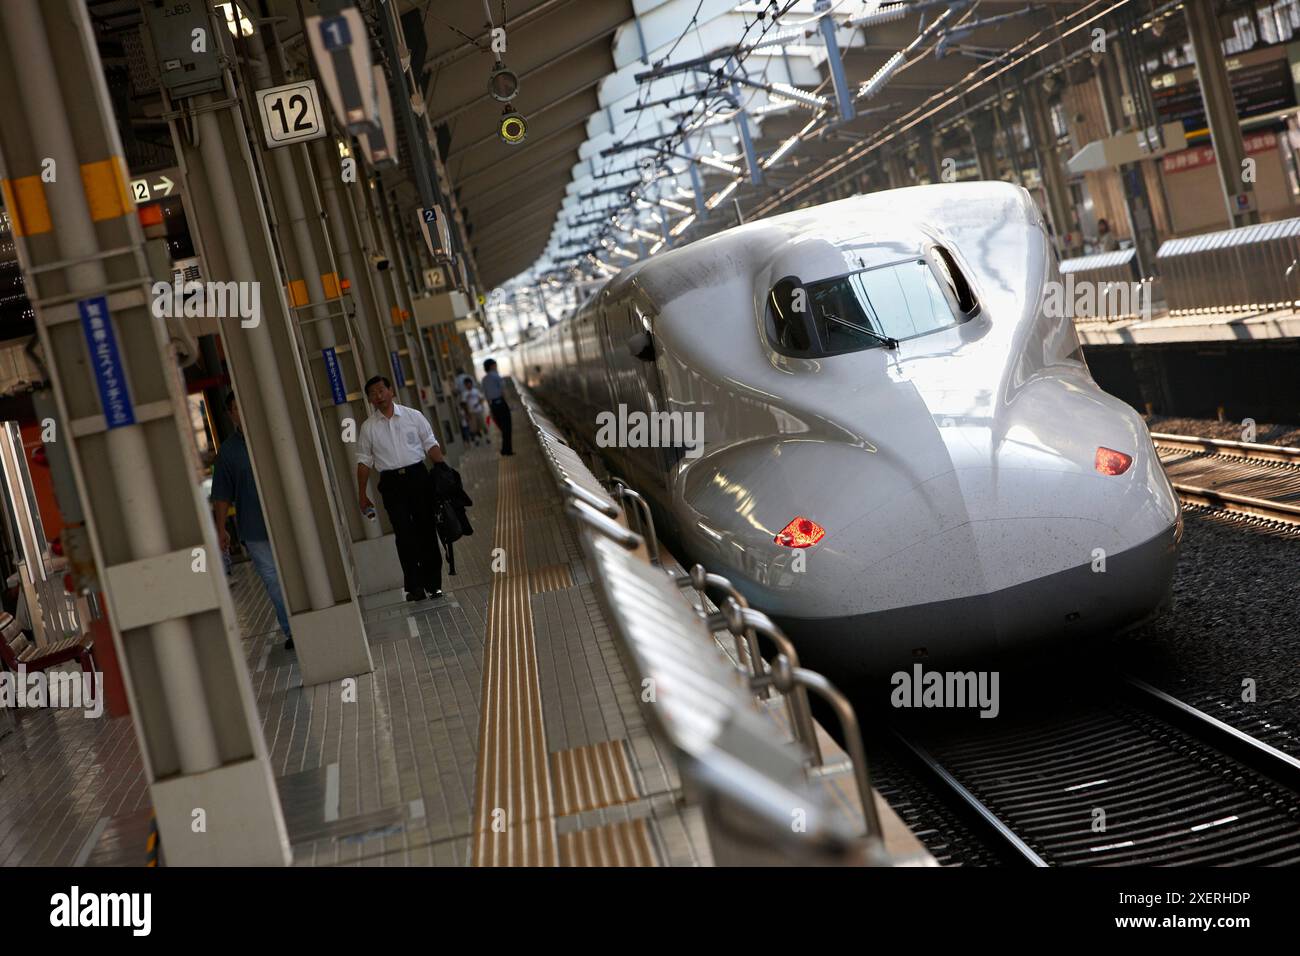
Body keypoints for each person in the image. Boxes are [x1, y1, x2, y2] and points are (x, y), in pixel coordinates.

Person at [211, 390, 294, 650]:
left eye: (243, 406)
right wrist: (220, 529)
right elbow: (221, 495)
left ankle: (307, 618)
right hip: (253, 526)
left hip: (287, 519)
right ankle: (291, 630)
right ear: (230, 414)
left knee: (293, 571)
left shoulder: (272, 437)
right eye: (235, 408)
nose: (240, 412)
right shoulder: (227, 452)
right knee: (271, 578)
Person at [355, 375, 446, 601]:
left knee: (426, 530)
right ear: (370, 400)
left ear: (391, 391)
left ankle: (433, 584)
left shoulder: (413, 416)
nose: (378, 396)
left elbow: (430, 444)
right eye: (373, 393)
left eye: (381, 390)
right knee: (404, 535)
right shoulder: (368, 428)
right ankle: (414, 587)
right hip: (391, 484)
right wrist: (362, 494)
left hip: (418, 477)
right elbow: (364, 462)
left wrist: (444, 470)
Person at [481, 358, 513, 456]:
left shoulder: (484, 380)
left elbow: (486, 394)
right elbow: (503, 390)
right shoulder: (496, 376)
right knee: (507, 427)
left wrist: (490, 408)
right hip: (501, 403)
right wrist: (508, 403)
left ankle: (505, 449)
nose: (496, 367)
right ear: (491, 366)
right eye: (495, 365)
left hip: (493, 405)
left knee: (502, 427)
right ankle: (507, 450)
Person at [462, 374, 488, 446]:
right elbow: (464, 404)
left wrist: (478, 404)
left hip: (479, 411)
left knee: (483, 425)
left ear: (471, 384)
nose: (468, 385)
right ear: (465, 385)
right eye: (466, 384)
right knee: (474, 428)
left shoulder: (476, 391)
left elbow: (481, 399)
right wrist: (467, 413)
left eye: (469, 383)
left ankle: (487, 438)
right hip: (471, 413)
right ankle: (477, 440)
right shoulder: (465, 394)